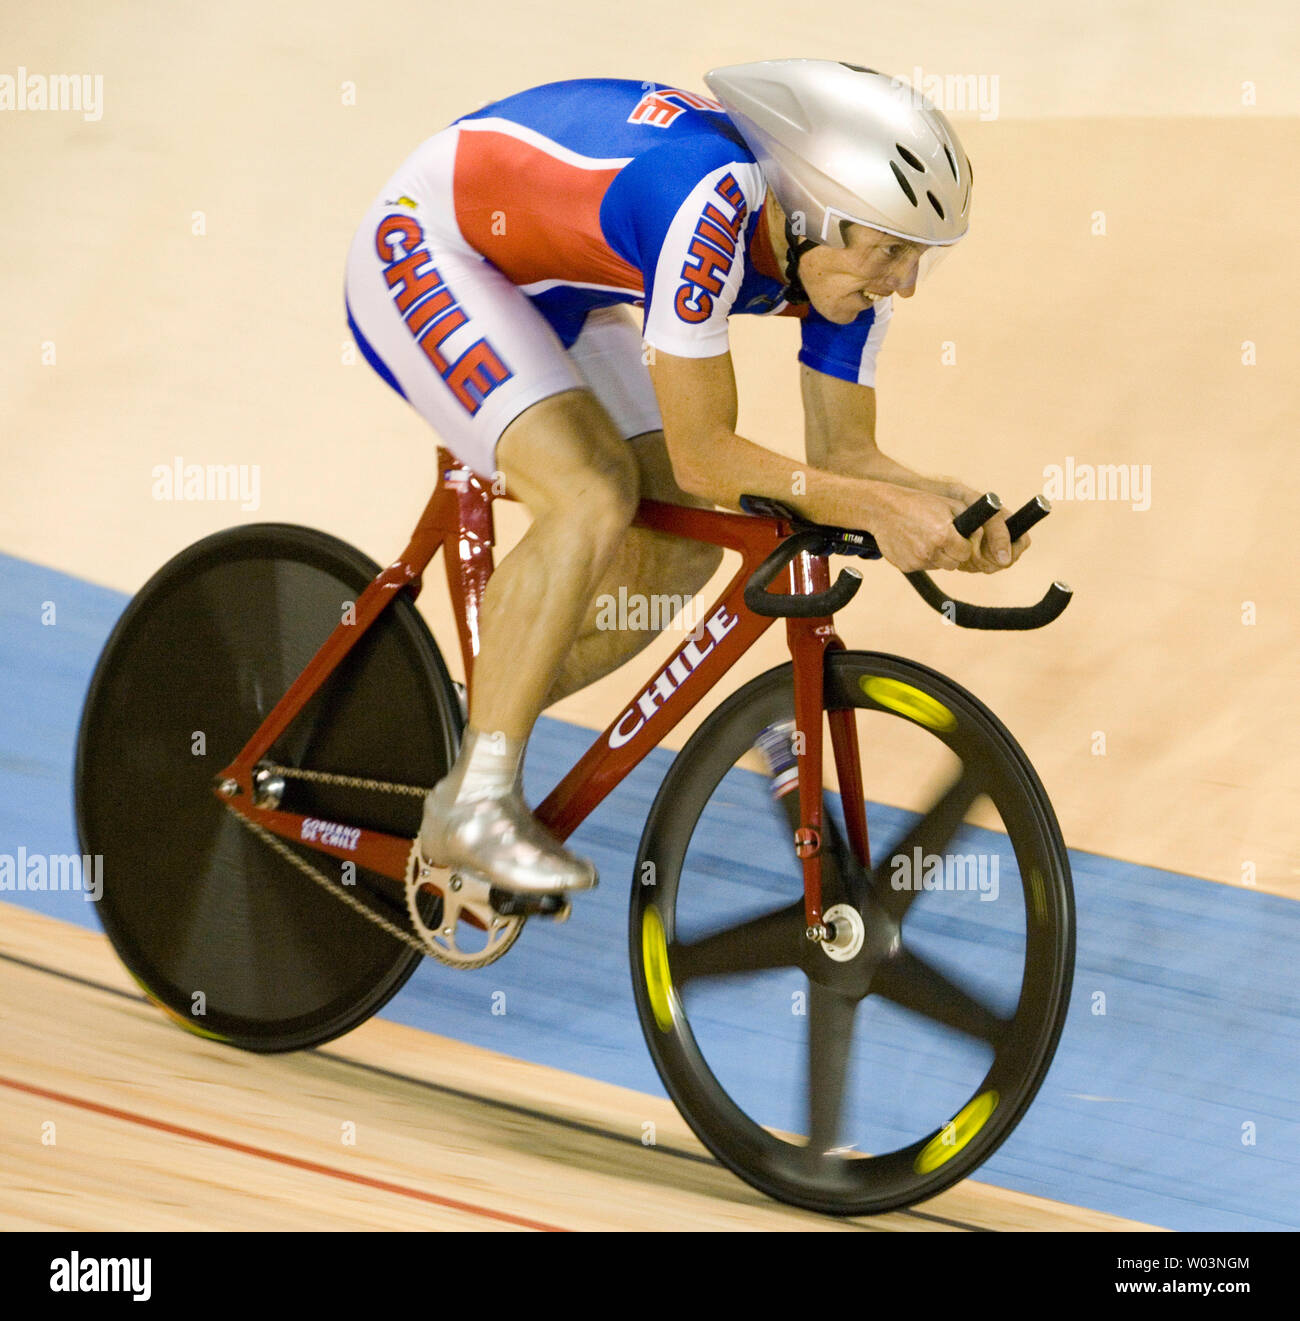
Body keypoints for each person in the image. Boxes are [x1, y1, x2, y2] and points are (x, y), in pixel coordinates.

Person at [343, 59, 1028, 899]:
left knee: (678, 553)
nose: (906, 285)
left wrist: (939, 504)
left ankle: (453, 726)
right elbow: (707, 453)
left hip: (554, 287)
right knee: (589, 496)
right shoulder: (705, 201)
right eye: (891, 252)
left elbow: (844, 456)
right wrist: (879, 509)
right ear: (815, 212)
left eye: (921, 258)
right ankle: (474, 799)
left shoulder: (846, 265)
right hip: (431, 246)